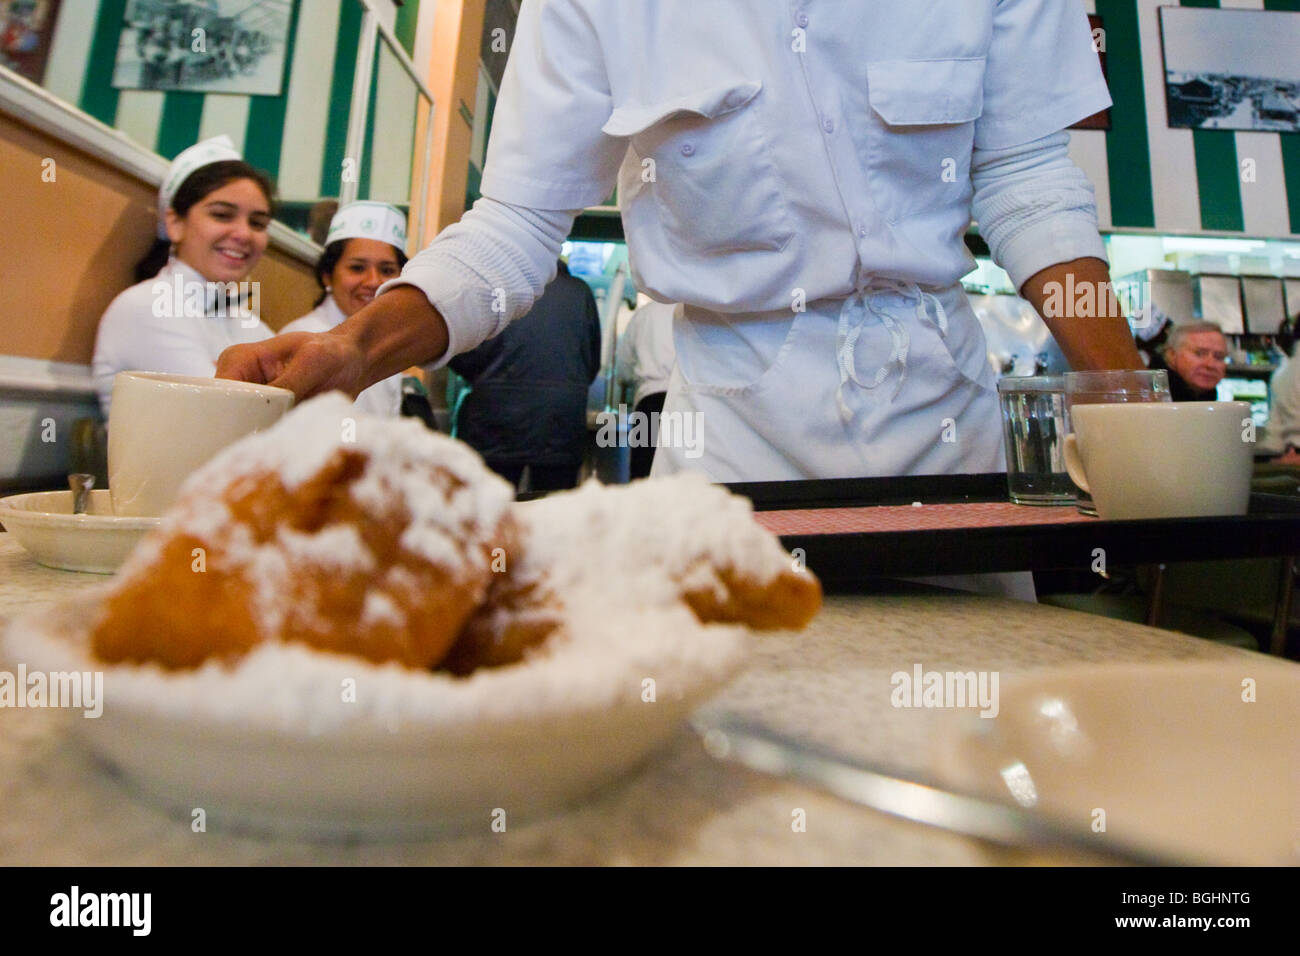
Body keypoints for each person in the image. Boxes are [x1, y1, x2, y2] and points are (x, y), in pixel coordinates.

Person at [218, 2, 1143, 595]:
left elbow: (1027, 182)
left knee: (964, 751)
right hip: (735, 450)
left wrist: (1136, 410)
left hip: (951, 452)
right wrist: (355, 349)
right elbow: (514, 229)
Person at [93, 135, 275, 418]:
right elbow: (224, 412)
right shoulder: (146, 306)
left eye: (258, 223)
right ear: (175, 223)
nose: (243, 234)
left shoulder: (249, 321)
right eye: (222, 215)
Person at [448, 258, 601, 491]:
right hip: (559, 422)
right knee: (555, 513)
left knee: (491, 513)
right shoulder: (579, 292)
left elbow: (464, 353)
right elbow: (591, 360)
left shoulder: (496, 289)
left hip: (495, 421)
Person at [280, 202, 409, 417]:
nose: (373, 281)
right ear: (328, 276)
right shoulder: (300, 337)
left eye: (387, 270)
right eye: (357, 268)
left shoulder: (389, 347)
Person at [616, 299, 677, 479]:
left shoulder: (643, 315)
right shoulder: (694, 313)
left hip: (649, 403)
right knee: (683, 482)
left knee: (643, 478)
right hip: (685, 403)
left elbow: (623, 369)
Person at [1156, 321, 1229, 401]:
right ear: (1172, 355)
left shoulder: (1207, 397)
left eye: (1219, 357)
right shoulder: (1151, 395)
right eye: (1200, 354)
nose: (1210, 364)